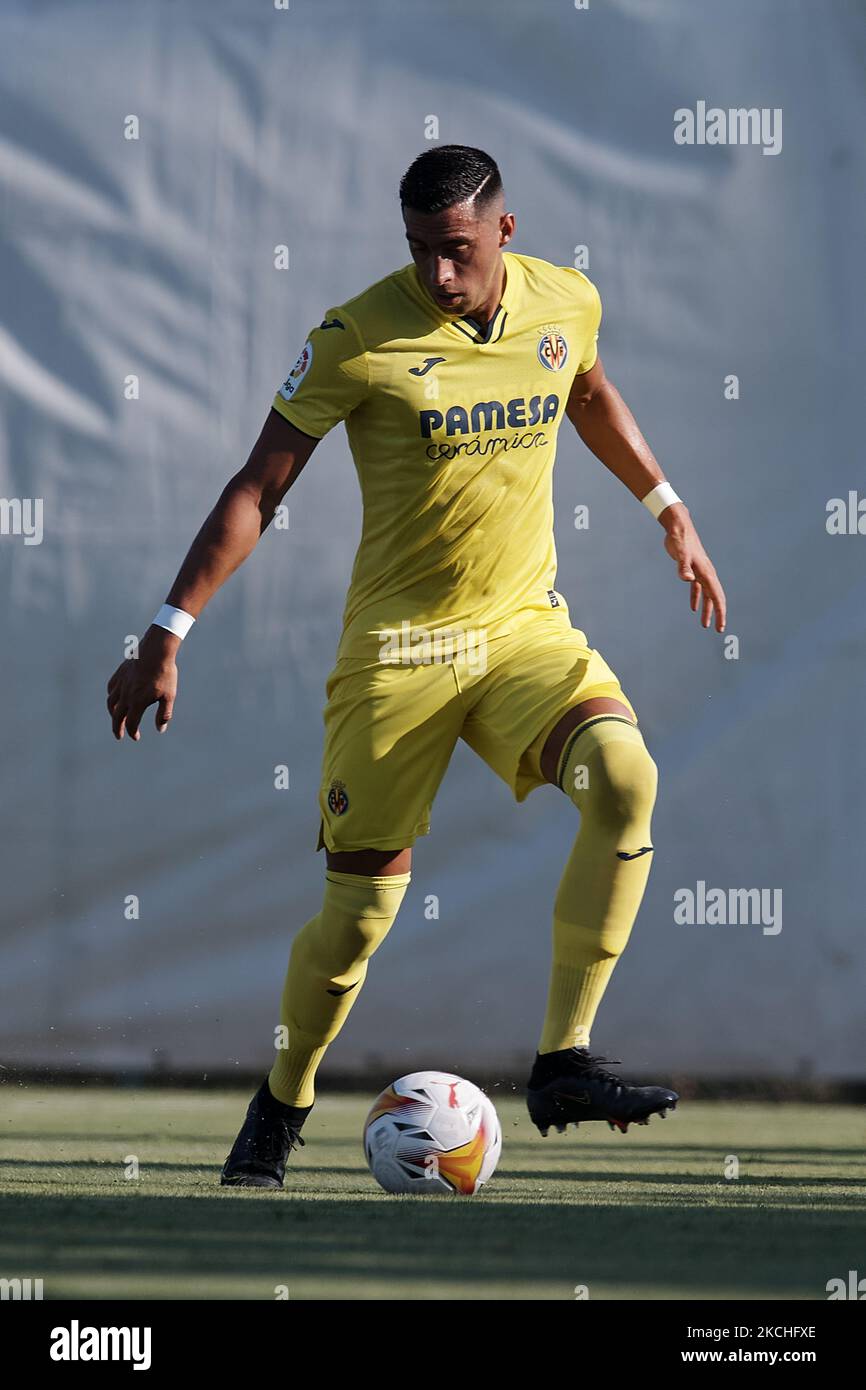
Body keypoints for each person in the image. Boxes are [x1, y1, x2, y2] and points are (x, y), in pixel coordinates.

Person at [106, 145, 726, 1189]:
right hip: (400, 655)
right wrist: (167, 631)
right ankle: (283, 1100)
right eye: (418, 250)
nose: (438, 273)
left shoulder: (565, 300)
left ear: (504, 232)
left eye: (456, 249)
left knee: (626, 779)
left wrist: (668, 509)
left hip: (522, 631)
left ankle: (562, 1062)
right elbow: (258, 487)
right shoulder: (356, 337)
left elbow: (586, 392)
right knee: (358, 921)